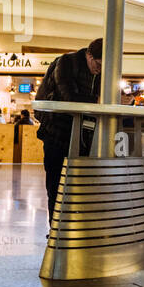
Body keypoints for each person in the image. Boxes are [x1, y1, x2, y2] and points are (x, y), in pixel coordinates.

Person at [36, 38, 102, 222]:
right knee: (56, 184)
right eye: (97, 64)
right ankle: (56, 229)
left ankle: (76, 227)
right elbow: (67, 96)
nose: (99, 69)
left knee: (79, 185)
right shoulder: (66, 62)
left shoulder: (100, 72)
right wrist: (99, 100)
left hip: (83, 136)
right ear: (89, 55)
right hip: (56, 132)